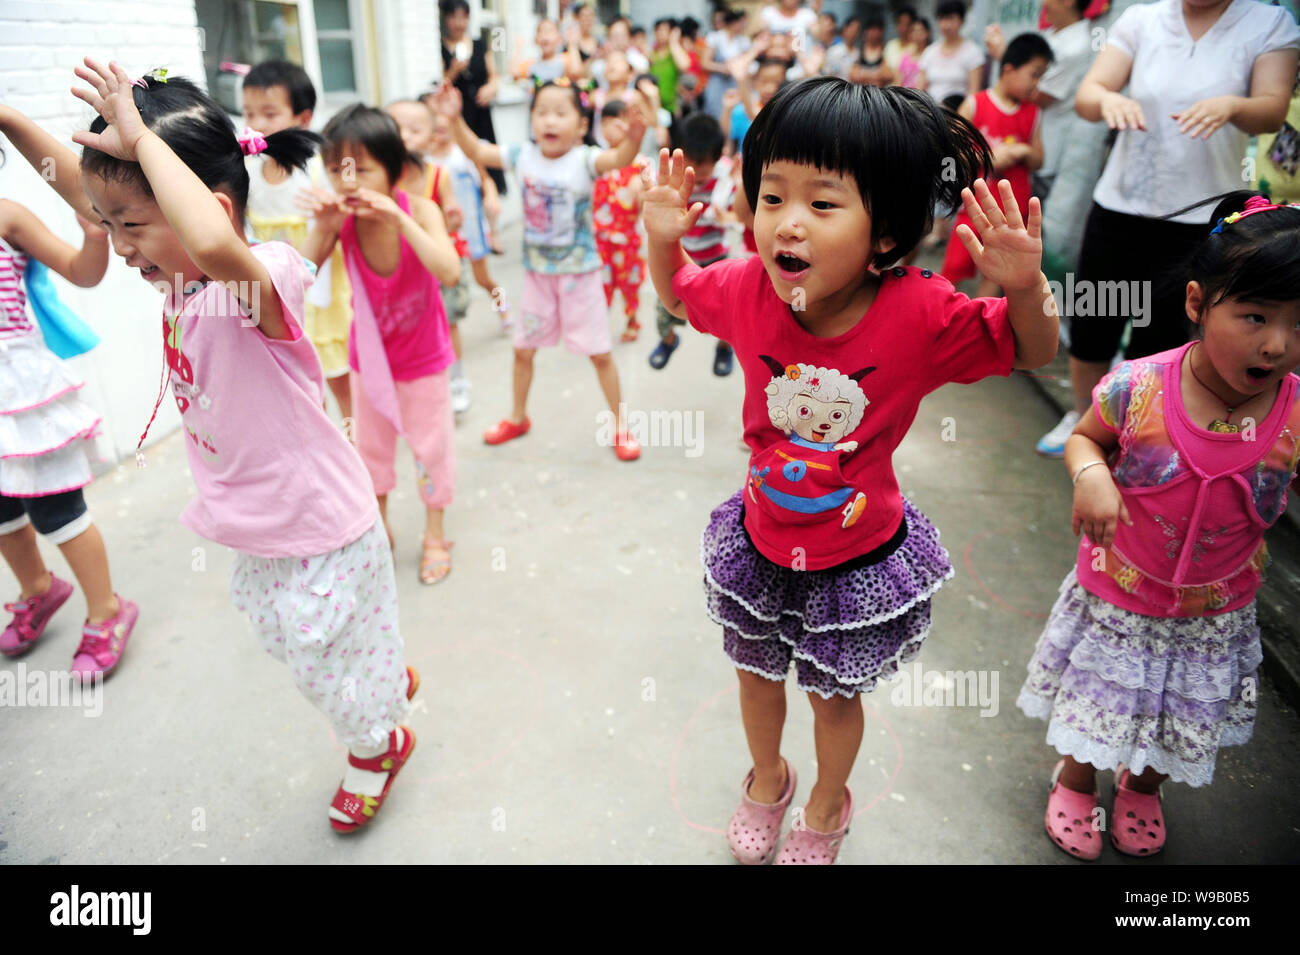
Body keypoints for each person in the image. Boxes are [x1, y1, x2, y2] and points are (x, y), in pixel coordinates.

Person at [643, 77, 1059, 864]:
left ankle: (828, 800)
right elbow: (677, 298)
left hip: (856, 551)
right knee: (756, 674)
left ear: (886, 233)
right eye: (772, 196)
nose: (787, 222)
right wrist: (660, 237)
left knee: (834, 696)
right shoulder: (743, 285)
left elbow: (1030, 348)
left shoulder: (922, 313)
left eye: (822, 203)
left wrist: (1023, 285)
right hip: (762, 538)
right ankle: (767, 777)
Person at [70, 62, 417, 831]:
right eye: (112, 226)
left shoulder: (247, 278)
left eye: (133, 226)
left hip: (323, 522)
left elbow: (206, 236)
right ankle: (378, 675)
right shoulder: (182, 282)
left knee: (330, 661)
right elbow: (82, 186)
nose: (121, 246)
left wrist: (140, 139)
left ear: (214, 210)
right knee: (301, 647)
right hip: (259, 526)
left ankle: (380, 743)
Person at [1019, 192, 1300, 860]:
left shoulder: (1294, 410)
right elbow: (1087, 439)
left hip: (1215, 605)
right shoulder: (1139, 386)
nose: (1277, 343)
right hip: (1119, 589)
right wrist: (1091, 475)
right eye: (1255, 315)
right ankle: (1078, 775)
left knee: (1181, 709)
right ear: (1198, 303)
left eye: (1298, 323)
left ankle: (1143, 785)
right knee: (1097, 694)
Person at [1035, 0, 1300, 458]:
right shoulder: (1142, 18)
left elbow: (1272, 111)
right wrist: (1108, 98)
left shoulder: (1270, 23)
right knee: (1096, 320)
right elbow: (1088, 95)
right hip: (1120, 203)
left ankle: (1139, 431)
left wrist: (1234, 105)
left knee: (1162, 336)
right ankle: (1084, 419)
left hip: (1201, 217)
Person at [433, 79, 648, 461]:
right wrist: (454, 119)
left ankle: (620, 426)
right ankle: (517, 417)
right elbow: (478, 150)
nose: (550, 120)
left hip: (580, 277)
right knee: (523, 352)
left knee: (600, 354)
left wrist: (634, 136)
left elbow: (619, 159)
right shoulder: (523, 156)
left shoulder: (585, 159)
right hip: (537, 277)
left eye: (561, 113)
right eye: (541, 112)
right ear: (531, 120)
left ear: (582, 126)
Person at [0, 106, 137, 679]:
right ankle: (37, 586)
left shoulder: (6, 217)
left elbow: (82, 272)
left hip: (21, 392)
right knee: (2, 510)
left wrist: (93, 237)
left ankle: (107, 609)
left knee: (57, 508)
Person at [301, 105, 462, 586]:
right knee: (369, 452)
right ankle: (378, 530)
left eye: (361, 169)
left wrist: (399, 215)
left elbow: (449, 271)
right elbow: (299, 278)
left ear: (393, 168)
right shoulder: (342, 220)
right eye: (336, 170)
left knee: (432, 450)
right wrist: (323, 225)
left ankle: (435, 533)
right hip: (369, 363)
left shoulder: (423, 210)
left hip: (424, 358)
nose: (347, 182)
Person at [242, 61, 355, 423]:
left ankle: (358, 445)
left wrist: (335, 207)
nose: (256, 123)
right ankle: (324, 447)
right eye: (248, 113)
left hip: (322, 298)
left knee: (340, 378)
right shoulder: (248, 172)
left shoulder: (321, 169)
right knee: (302, 385)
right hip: (279, 300)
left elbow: (348, 214)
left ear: (303, 117)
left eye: (270, 113)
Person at [942, 32, 1053, 297]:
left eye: (1041, 76)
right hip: (973, 209)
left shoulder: (1033, 112)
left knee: (995, 275)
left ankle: (979, 329)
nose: (1036, 84)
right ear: (1009, 69)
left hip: (1013, 215)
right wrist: (988, 157)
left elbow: (1039, 161)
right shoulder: (975, 104)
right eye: (1034, 74)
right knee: (953, 270)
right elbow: (949, 156)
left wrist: (1023, 150)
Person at [387, 99, 477, 415]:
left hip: (437, 263)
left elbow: (451, 217)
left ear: (432, 136)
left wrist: (452, 218)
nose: (405, 136)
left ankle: (456, 381)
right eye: (397, 127)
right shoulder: (381, 178)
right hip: (400, 267)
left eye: (415, 129)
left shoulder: (438, 175)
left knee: (448, 321)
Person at [647, 112, 734, 376]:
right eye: (692, 165)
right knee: (663, 310)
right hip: (682, 256)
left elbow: (731, 216)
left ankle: (725, 346)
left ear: (717, 160)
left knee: (728, 312)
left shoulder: (724, 179)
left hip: (716, 257)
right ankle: (669, 341)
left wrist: (723, 215)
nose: (697, 176)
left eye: (704, 170)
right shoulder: (673, 181)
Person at [440, 0, 505, 201]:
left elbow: (494, 75)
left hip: (481, 110)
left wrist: (491, 88)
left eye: (463, 18)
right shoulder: (439, 46)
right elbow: (440, 84)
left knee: (485, 151)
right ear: (446, 19)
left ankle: (491, 194)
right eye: (454, 18)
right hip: (459, 113)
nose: (459, 23)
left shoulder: (479, 44)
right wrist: (454, 71)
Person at [593, 101, 647, 342]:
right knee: (600, 283)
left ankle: (632, 319)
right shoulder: (597, 159)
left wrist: (642, 189)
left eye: (616, 122)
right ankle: (598, 324)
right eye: (604, 123)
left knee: (629, 282)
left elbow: (647, 198)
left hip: (627, 239)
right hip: (599, 238)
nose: (609, 128)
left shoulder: (640, 163)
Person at [917, 1, 985, 109]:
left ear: (961, 20)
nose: (946, 25)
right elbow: (919, 88)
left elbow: (973, 93)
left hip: (958, 114)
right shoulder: (929, 52)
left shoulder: (973, 52)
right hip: (931, 113)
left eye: (951, 18)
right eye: (942, 18)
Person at [703, 8, 752, 116]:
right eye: (742, 22)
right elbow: (705, 62)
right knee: (716, 111)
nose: (744, 26)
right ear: (734, 22)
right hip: (718, 83)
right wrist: (723, 68)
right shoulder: (715, 37)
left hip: (735, 82)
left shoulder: (743, 41)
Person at [850, 16, 895, 88]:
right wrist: (877, 75)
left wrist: (863, 74)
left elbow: (889, 76)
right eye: (872, 30)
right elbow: (854, 76)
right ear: (866, 31)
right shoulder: (858, 50)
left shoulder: (885, 51)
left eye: (878, 30)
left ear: (881, 32)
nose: (875, 33)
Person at [898, 17, 932, 89]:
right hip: (904, 96)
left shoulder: (932, 54)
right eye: (913, 31)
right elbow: (897, 81)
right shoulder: (905, 56)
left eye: (920, 30)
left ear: (928, 32)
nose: (917, 33)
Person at [884, 6, 918, 76]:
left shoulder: (918, 46)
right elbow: (883, 71)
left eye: (907, 24)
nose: (904, 28)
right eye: (901, 23)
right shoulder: (890, 45)